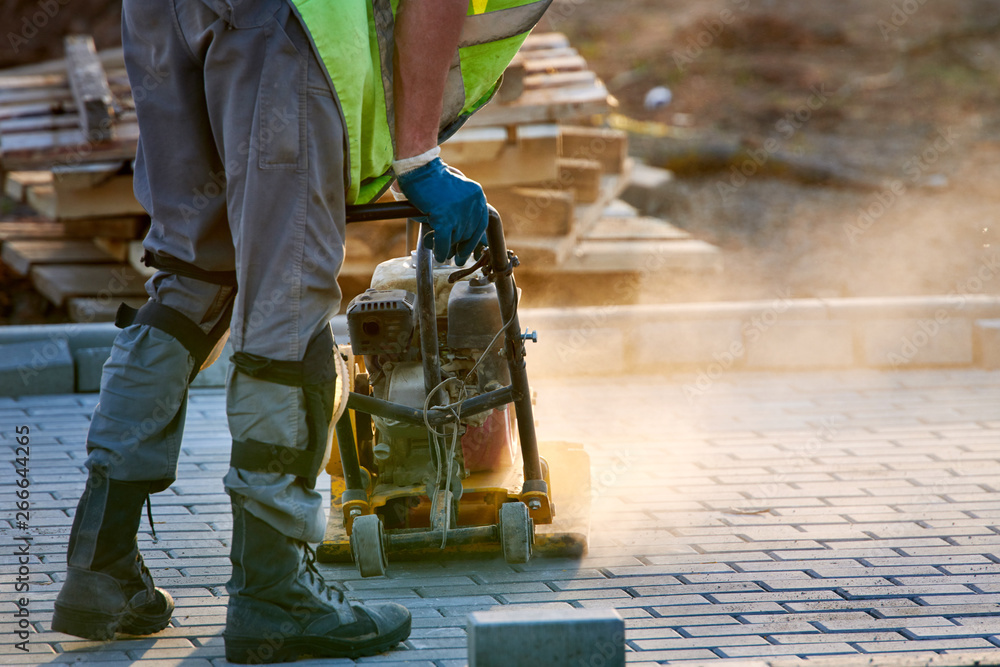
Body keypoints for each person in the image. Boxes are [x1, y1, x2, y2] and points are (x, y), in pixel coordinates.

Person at [49, 0, 550, 663]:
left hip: (162, 15)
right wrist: (420, 158)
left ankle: (100, 568)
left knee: (194, 277)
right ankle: (274, 591)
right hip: (284, 20)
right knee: (287, 305)